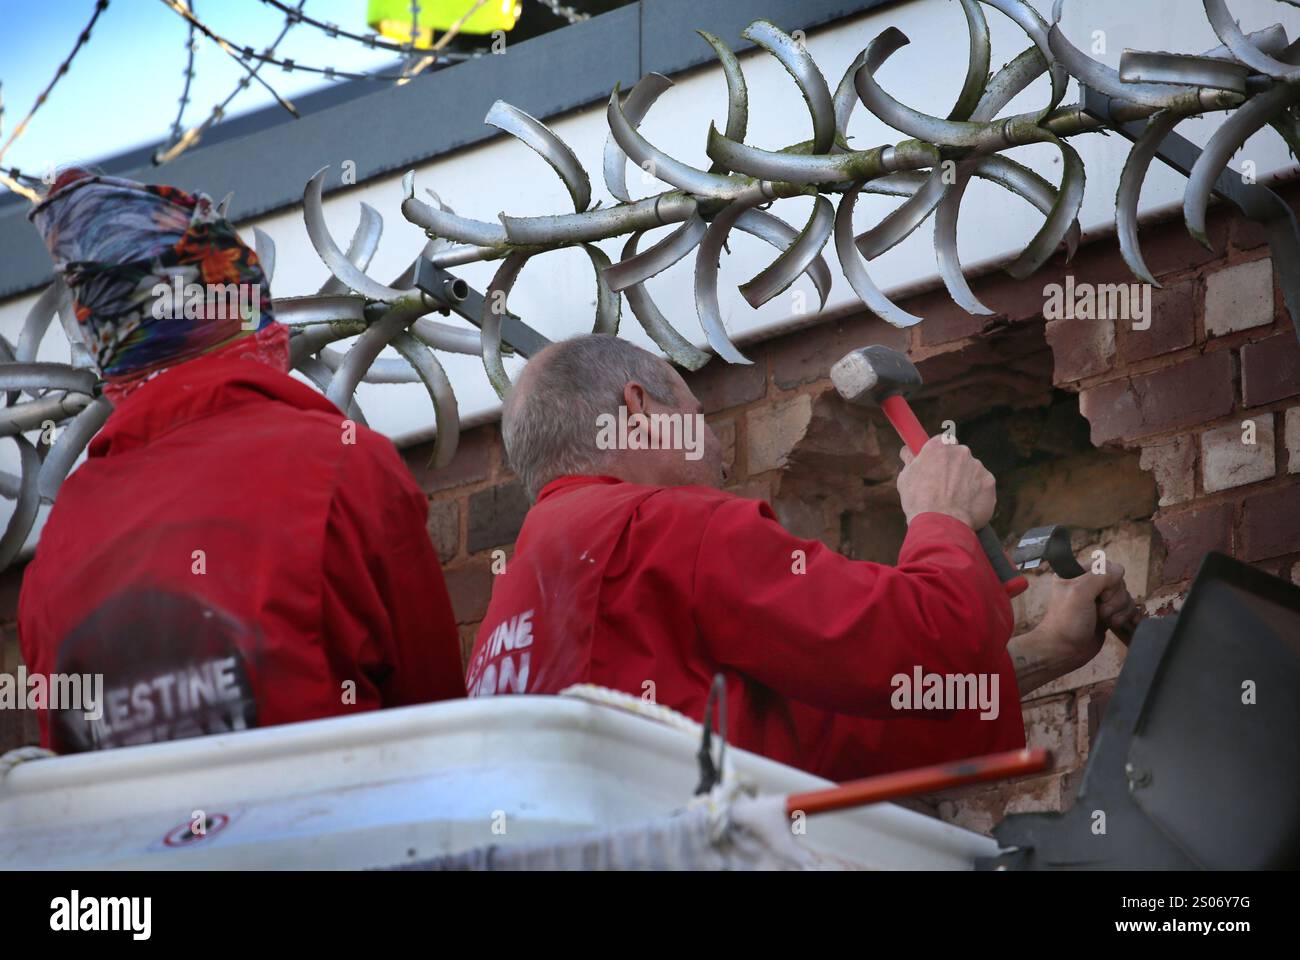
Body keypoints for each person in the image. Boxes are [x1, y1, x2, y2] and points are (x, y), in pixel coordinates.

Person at [467, 334, 1139, 781]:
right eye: (698, 417)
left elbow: (823, 735)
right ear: (639, 410)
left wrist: (1048, 648)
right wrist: (942, 516)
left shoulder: (511, 607)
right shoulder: (668, 528)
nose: (718, 452)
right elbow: (931, 644)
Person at [18, 169, 465, 752]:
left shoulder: (60, 541)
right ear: (249, 326)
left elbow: (72, 786)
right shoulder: (344, 467)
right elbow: (443, 740)